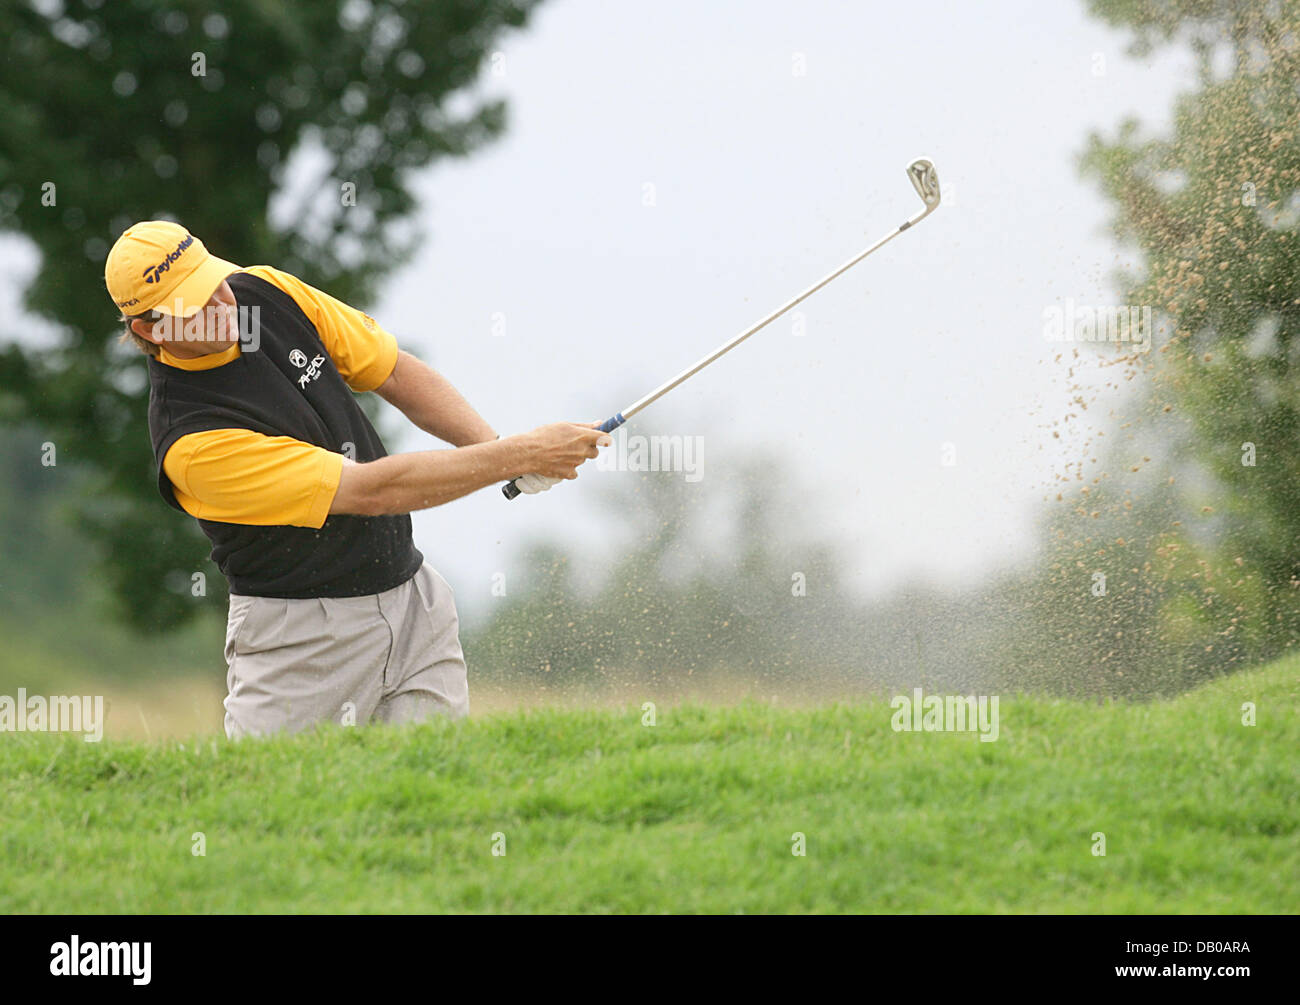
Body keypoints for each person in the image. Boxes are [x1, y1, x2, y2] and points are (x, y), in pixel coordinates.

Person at [103, 220, 609, 738]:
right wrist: (521, 453)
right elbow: (372, 491)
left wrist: (498, 448)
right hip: (300, 644)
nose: (223, 304)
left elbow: (393, 371)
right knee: (272, 792)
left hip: (413, 604)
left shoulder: (268, 291)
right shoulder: (194, 443)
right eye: (196, 305)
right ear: (150, 330)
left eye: (215, 282)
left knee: (435, 783)